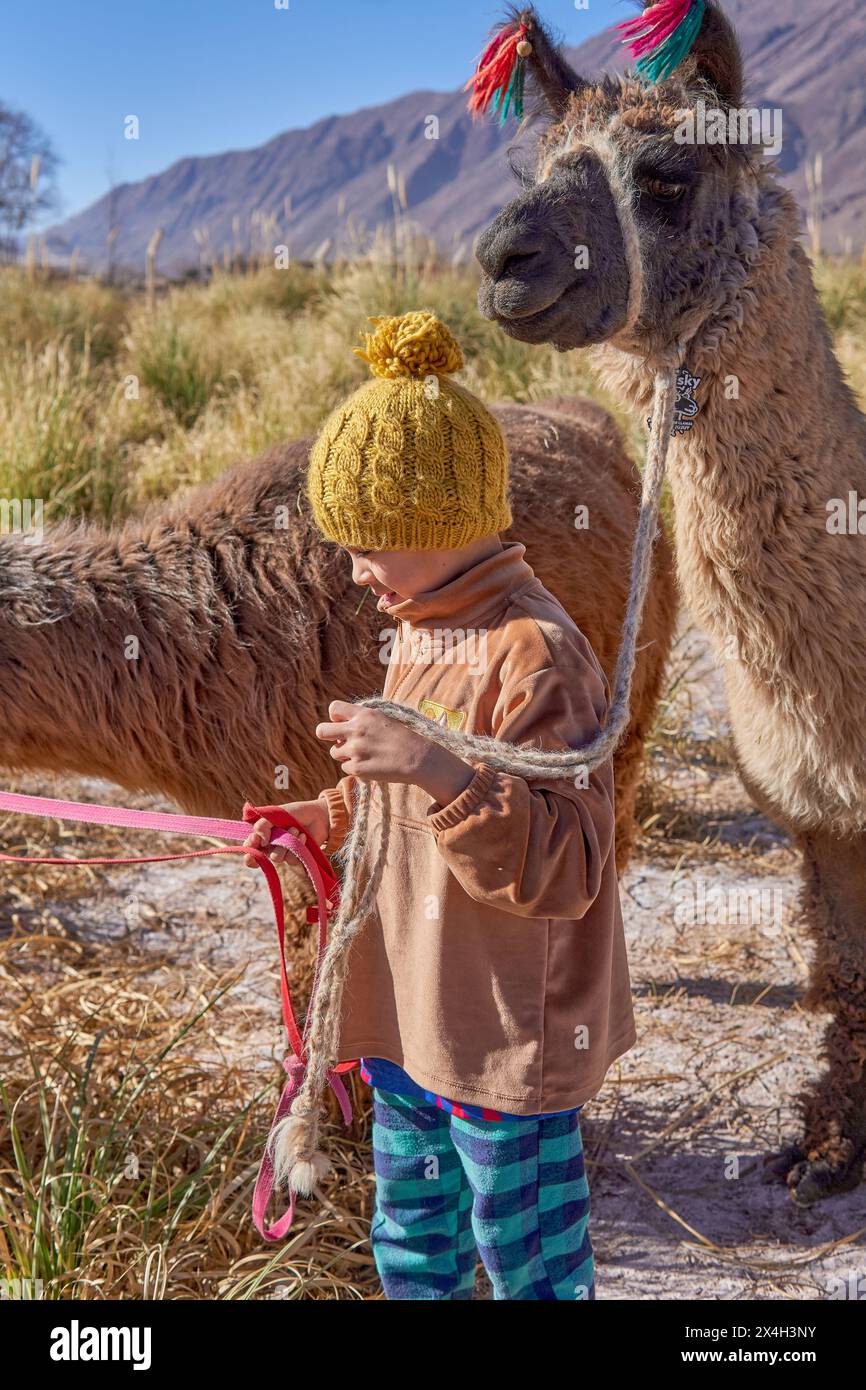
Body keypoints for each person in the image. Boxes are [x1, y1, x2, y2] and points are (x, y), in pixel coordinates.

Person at [243, 310, 637, 1300]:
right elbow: (397, 798)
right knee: (412, 1238)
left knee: (525, 1254)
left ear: (445, 526)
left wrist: (435, 771)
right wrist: (325, 813)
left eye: (372, 545)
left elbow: (564, 864)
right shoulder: (423, 627)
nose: (355, 571)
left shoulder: (532, 653)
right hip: (407, 1017)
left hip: (499, 1033)